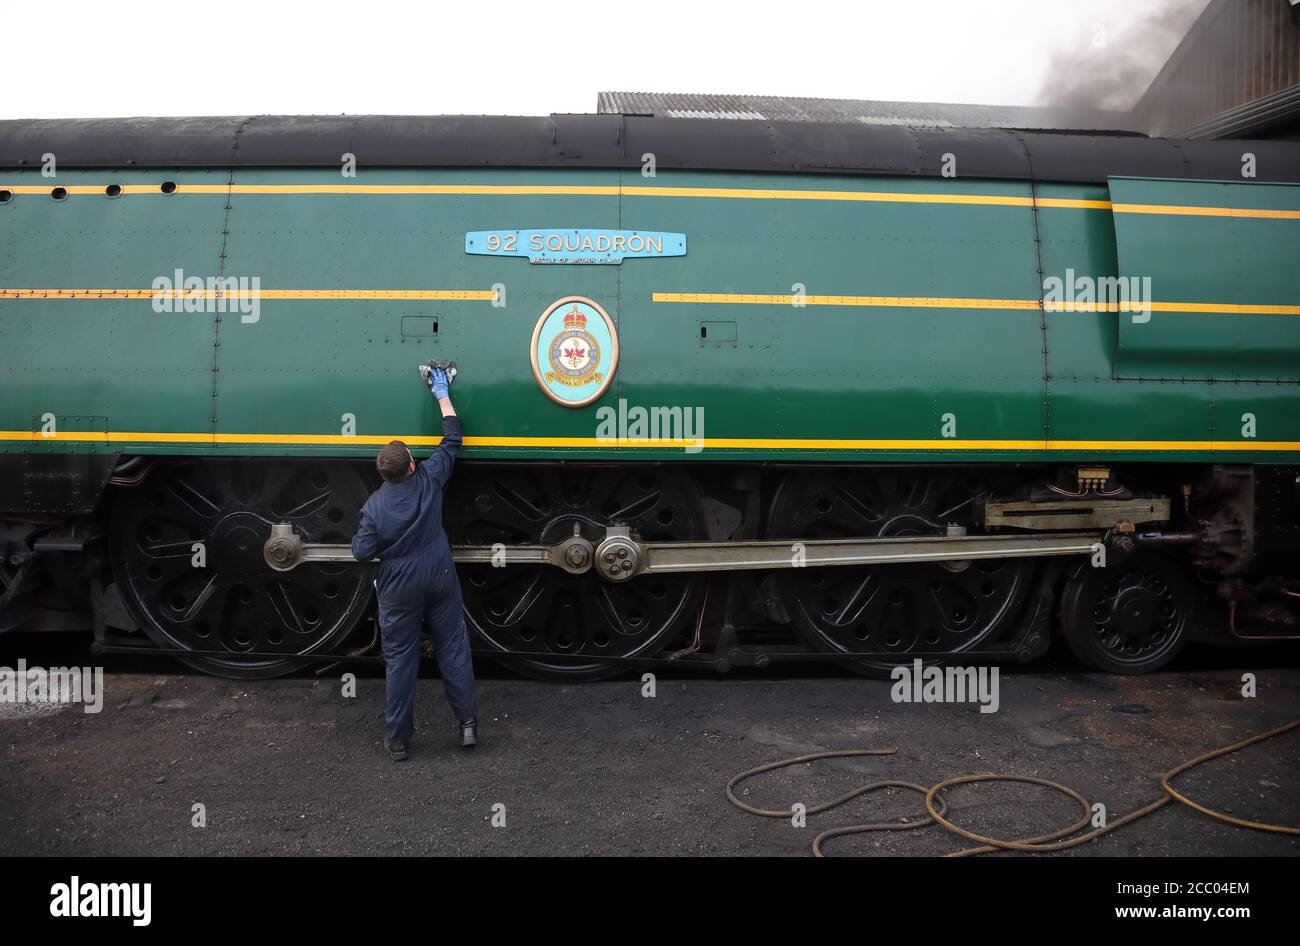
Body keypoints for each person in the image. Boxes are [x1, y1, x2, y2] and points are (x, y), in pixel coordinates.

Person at [351, 365, 478, 761]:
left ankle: (399, 740)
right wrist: (441, 392)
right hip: (439, 574)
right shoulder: (429, 477)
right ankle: (468, 725)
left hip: (399, 586)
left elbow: (360, 551)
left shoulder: (373, 508)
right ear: (410, 464)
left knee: (400, 661)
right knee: (454, 647)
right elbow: (453, 436)